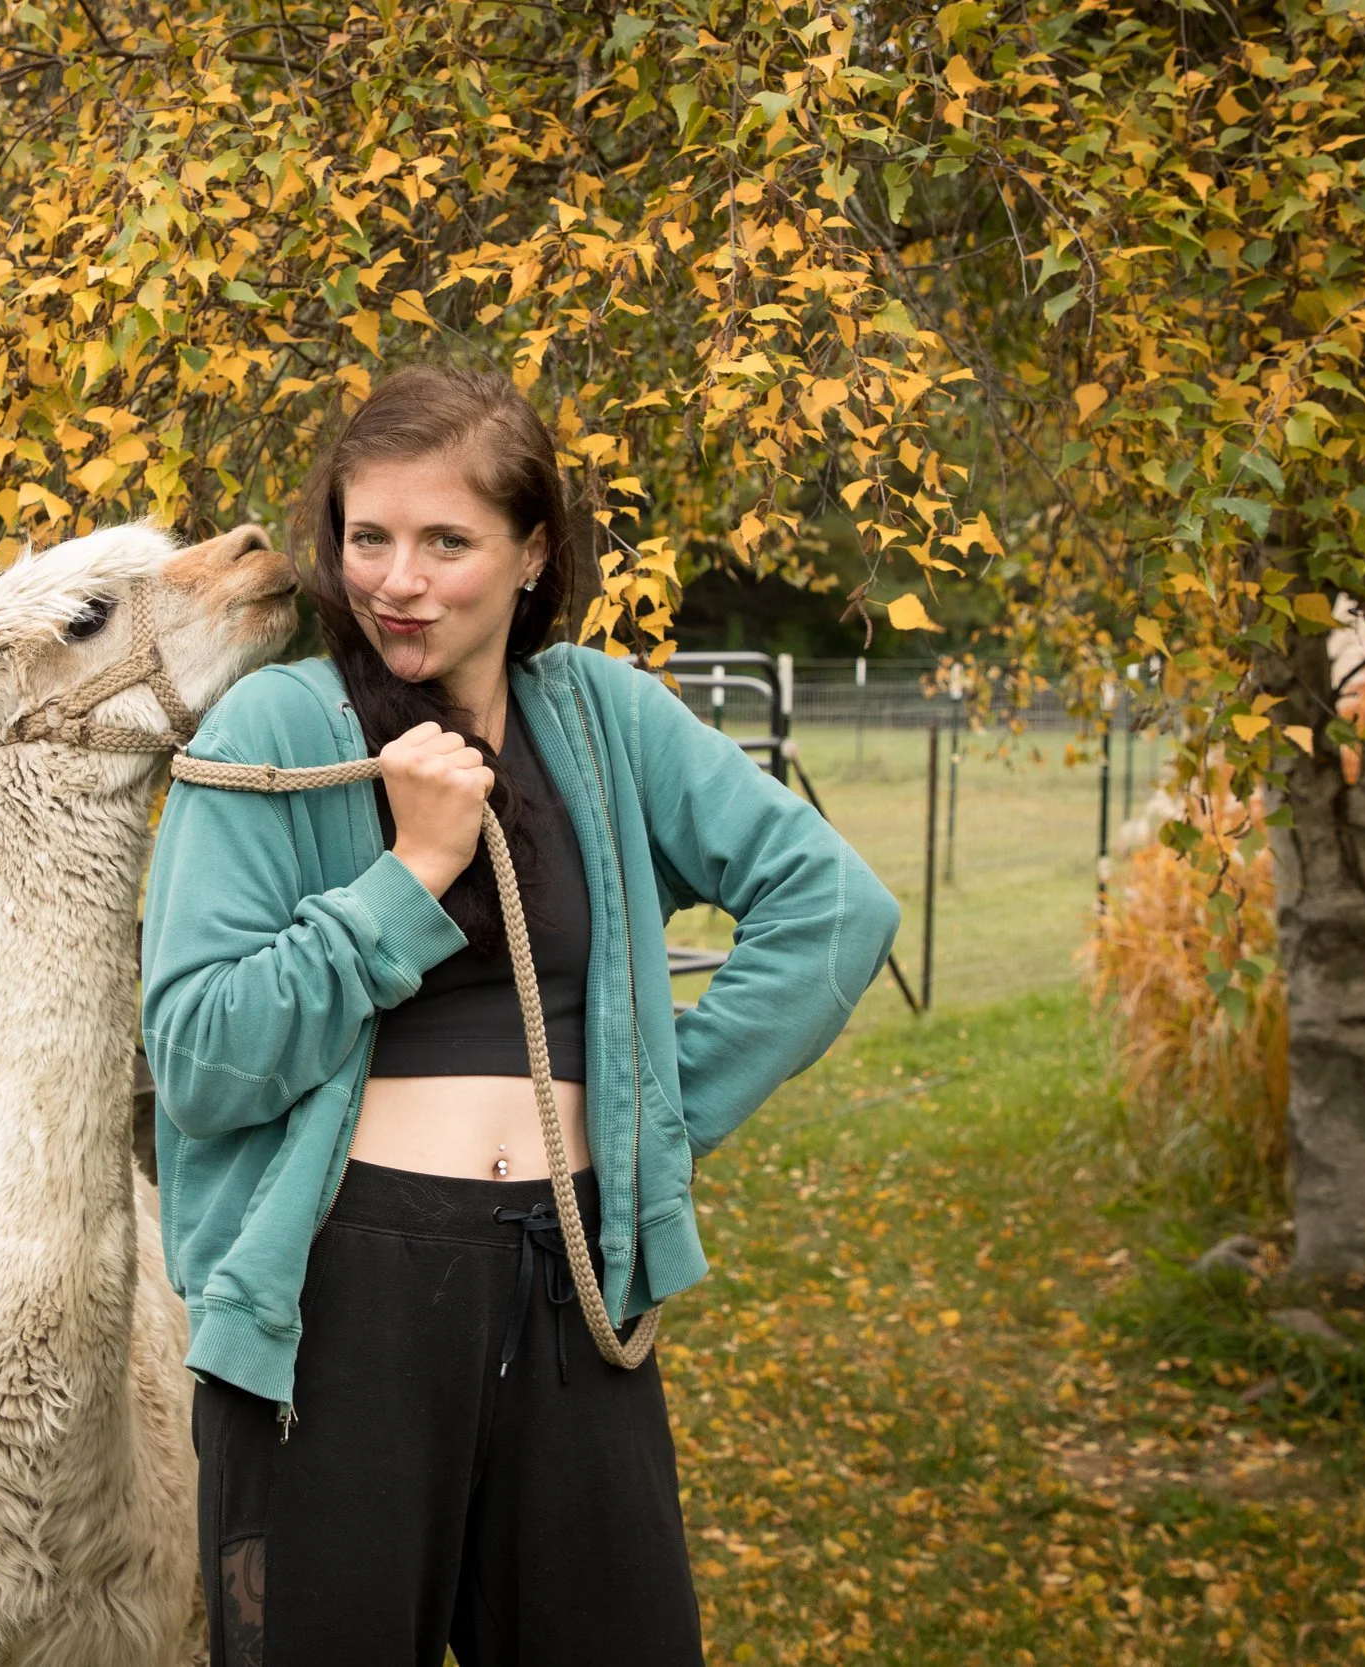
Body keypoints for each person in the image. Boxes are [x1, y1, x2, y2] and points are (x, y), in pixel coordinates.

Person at [141, 363, 901, 1667]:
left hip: (568, 1280)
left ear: (533, 551)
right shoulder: (280, 724)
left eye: (446, 542)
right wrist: (411, 873)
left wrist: (653, 1121)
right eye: (368, 536)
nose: (395, 579)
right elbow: (202, 1058)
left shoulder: (602, 720)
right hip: (340, 1287)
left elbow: (833, 907)